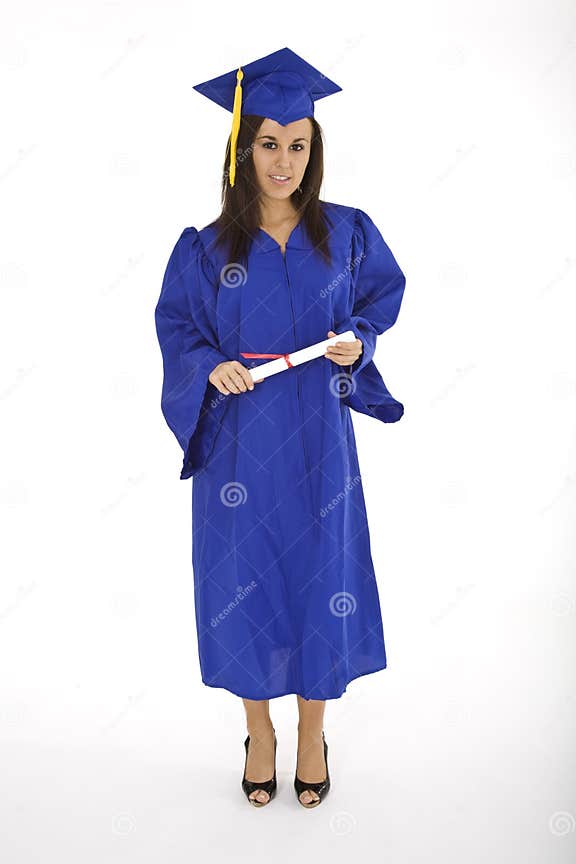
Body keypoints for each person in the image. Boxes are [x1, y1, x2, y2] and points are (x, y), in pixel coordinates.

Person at [154, 47, 406, 808]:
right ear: (243, 148)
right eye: (269, 143)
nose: (284, 161)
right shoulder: (206, 248)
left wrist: (359, 340)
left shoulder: (347, 233)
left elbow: (378, 301)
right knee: (247, 580)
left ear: (313, 149)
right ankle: (259, 731)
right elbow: (178, 328)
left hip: (320, 439)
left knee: (321, 577)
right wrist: (209, 366)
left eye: (298, 145)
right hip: (240, 443)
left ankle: (312, 733)